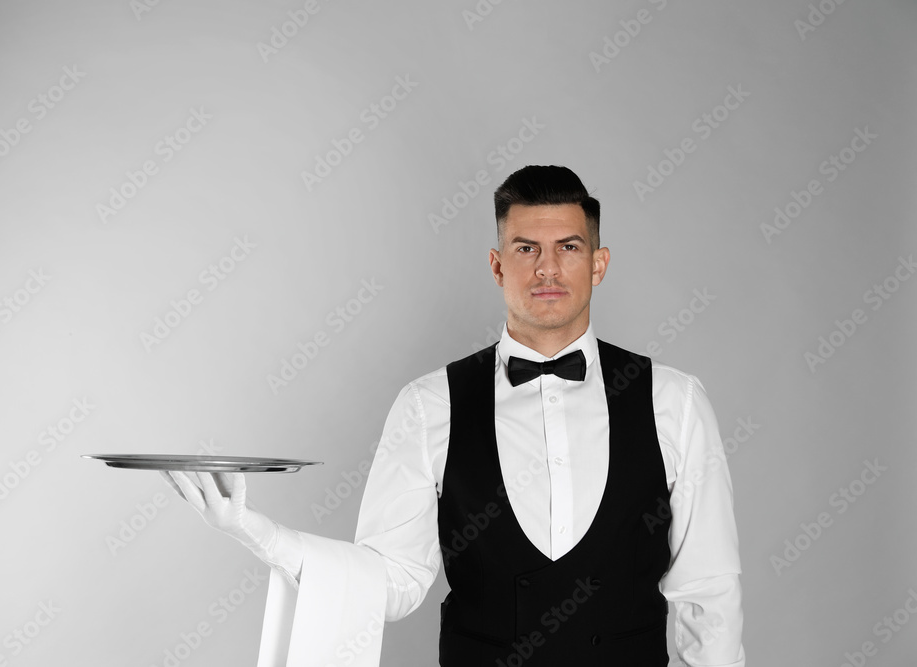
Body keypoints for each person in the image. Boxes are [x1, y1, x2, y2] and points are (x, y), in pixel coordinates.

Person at [161, 164, 745, 666]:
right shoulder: (429, 405)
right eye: (526, 249)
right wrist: (254, 532)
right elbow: (389, 580)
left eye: (568, 247)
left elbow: (708, 595)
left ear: (598, 263)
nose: (547, 268)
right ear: (497, 265)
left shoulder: (675, 402)